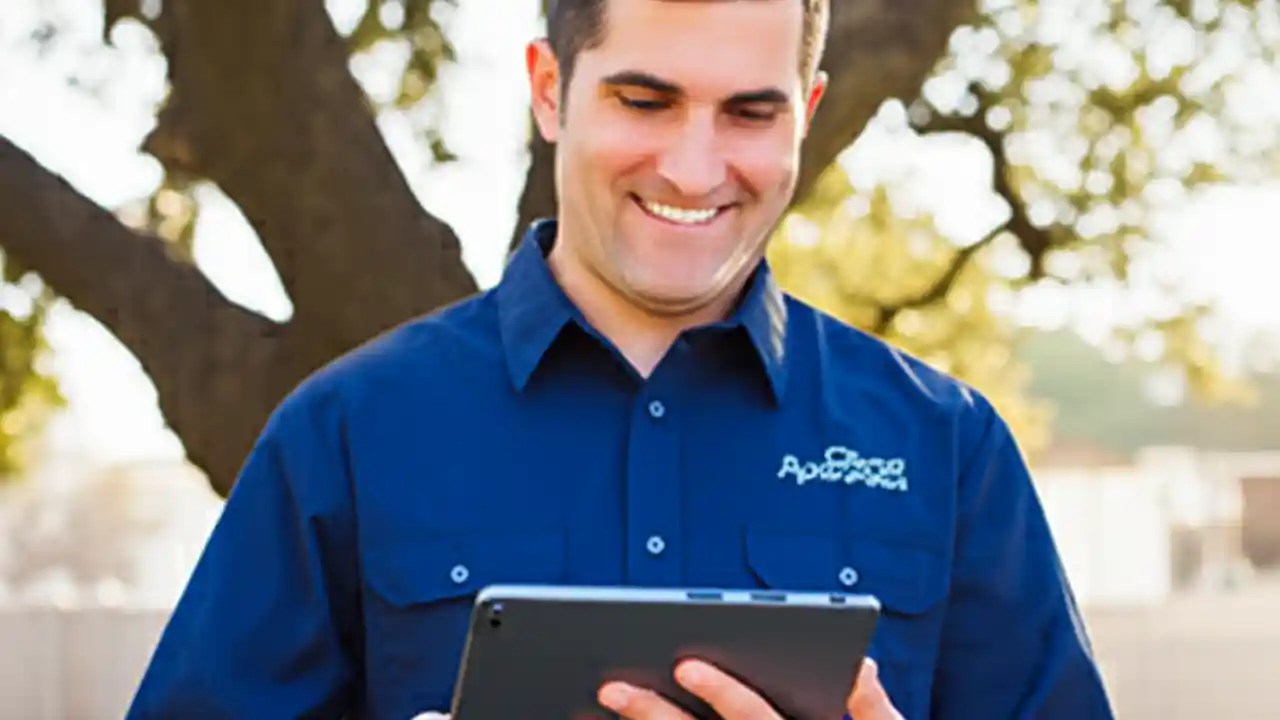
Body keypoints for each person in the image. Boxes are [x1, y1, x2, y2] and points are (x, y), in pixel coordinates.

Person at [126, 0, 1116, 718]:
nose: (693, 167)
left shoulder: (947, 447)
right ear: (550, 91)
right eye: (645, 101)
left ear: (805, 110)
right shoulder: (345, 431)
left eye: (749, 112)